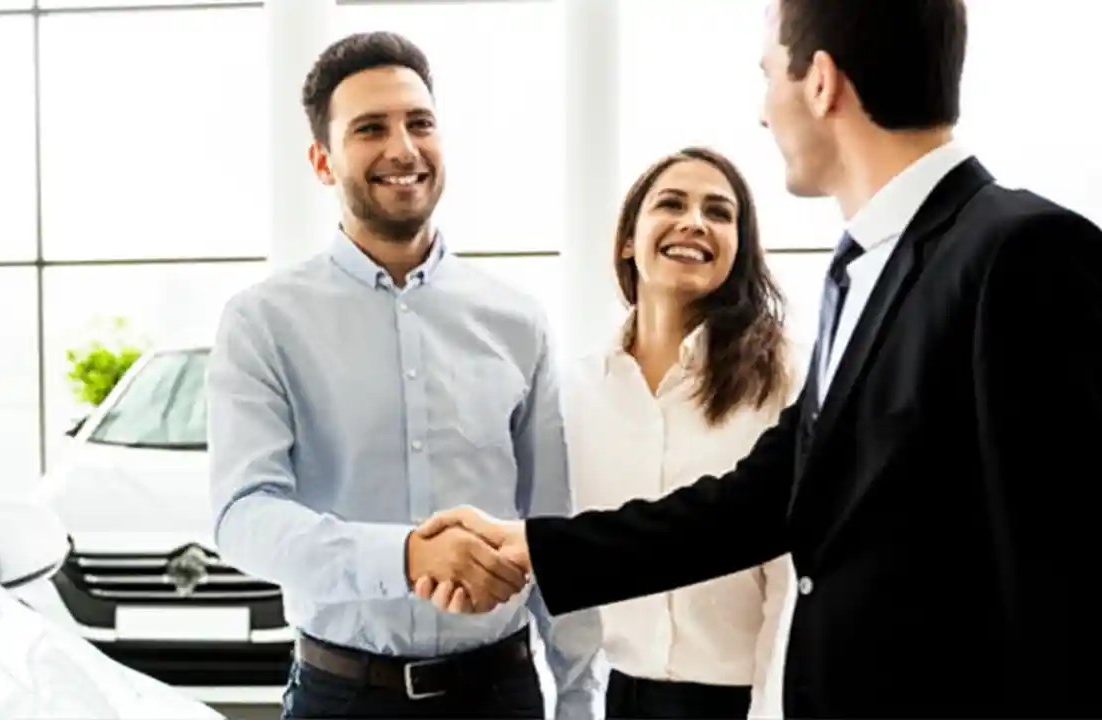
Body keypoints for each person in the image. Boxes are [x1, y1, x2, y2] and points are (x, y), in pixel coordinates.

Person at [411, 0, 1102, 717]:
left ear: (822, 82)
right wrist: (533, 546)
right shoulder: (856, 272)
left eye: (770, 73)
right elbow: (762, 500)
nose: (764, 113)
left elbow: (1069, 584)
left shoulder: (1025, 251)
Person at [206, 31, 604, 720]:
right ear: (322, 162)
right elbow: (244, 517)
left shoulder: (517, 321)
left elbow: (551, 521)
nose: (403, 148)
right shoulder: (261, 323)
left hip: (501, 694)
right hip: (343, 696)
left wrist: (577, 698)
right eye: (370, 128)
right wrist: (406, 554)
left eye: (420, 123)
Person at [563, 148, 797, 719]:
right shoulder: (576, 389)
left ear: (738, 250)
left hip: (742, 702)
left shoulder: (785, 378)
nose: (694, 221)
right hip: (619, 696)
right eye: (671, 203)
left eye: (719, 212)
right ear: (627, 239)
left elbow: (788, 584)